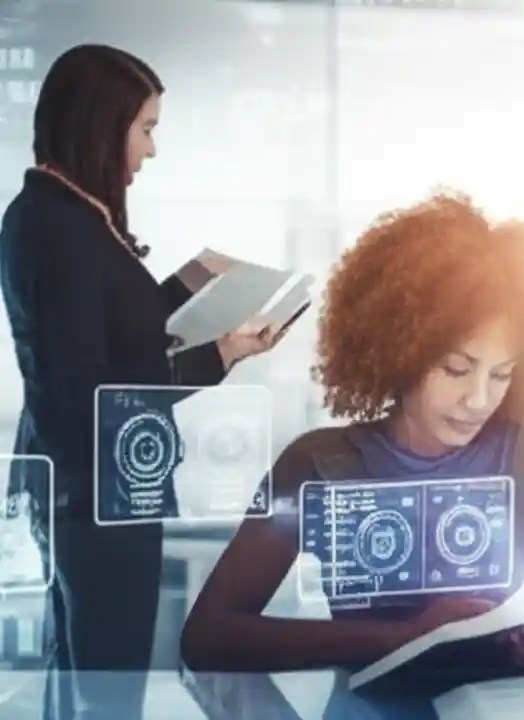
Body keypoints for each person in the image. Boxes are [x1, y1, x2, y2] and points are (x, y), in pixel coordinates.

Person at [180, 192, 524, 700]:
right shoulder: (320, 466)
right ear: (400, 351)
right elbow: (208, 637)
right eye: (456, 369)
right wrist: (400, 637)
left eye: (502, 374)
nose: (478, 398)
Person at [0, 45, 284, 719]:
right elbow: (97, 389)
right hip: (97, 495)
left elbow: (114, 335)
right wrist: (221, 356)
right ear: (102, 125)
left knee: (85, 678)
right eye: (146, 129)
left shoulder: (63, 216)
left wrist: (196, 278)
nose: (151, 151)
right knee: (104, 687)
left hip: (91, 487)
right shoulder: (62, 228)